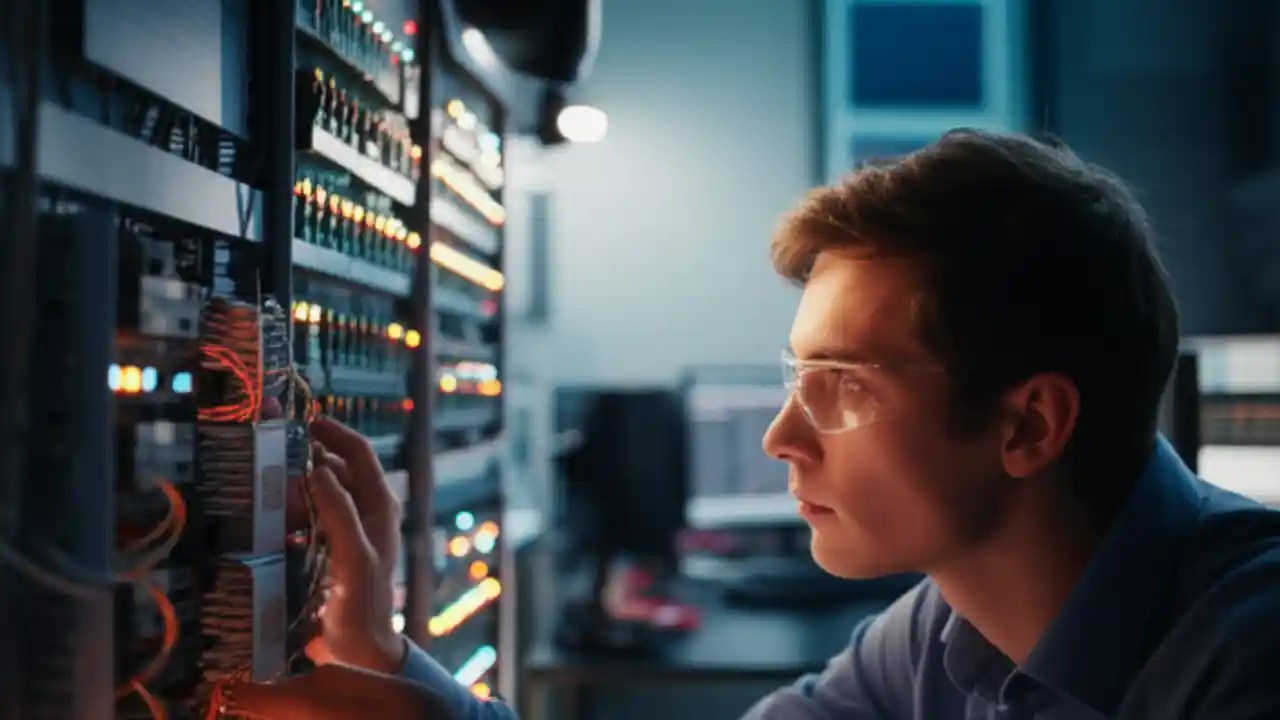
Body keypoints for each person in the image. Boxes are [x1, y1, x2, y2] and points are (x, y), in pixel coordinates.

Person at [230, 130, 1280, 719]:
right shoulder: (945, 632)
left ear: (1030, 426)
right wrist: (382, 654)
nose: (781, 436)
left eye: (839, 383)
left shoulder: (1245, 659)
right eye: (795, 377)